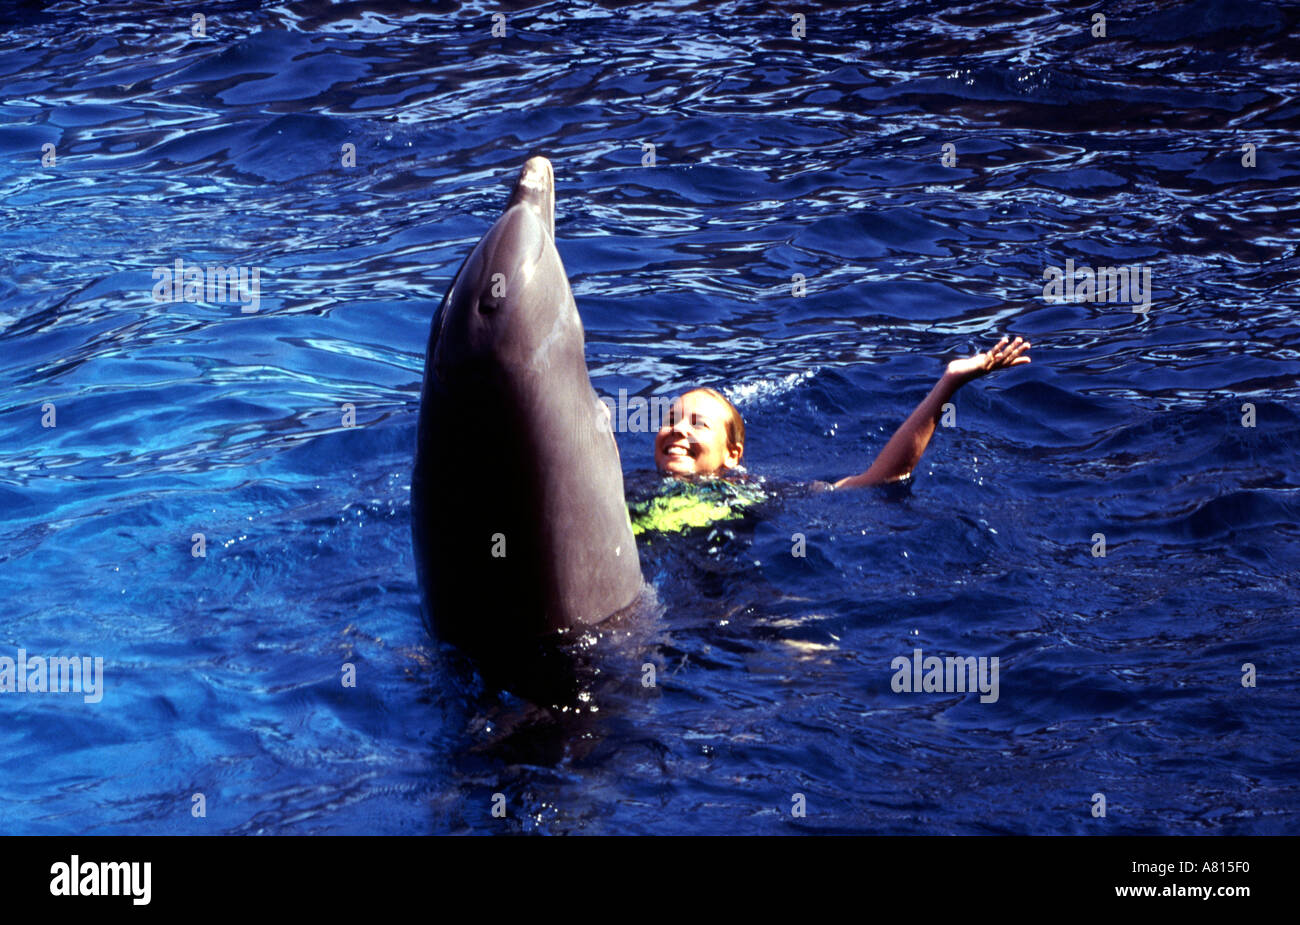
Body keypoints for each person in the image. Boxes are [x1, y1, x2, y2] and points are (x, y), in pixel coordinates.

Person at [653, 336, 1032, 487]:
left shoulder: (750, 492)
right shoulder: (632, 490)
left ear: (733, 455)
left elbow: (880, 477)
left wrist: (949, 383)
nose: (677, 430)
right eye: (670, 419)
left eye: (697, 423)